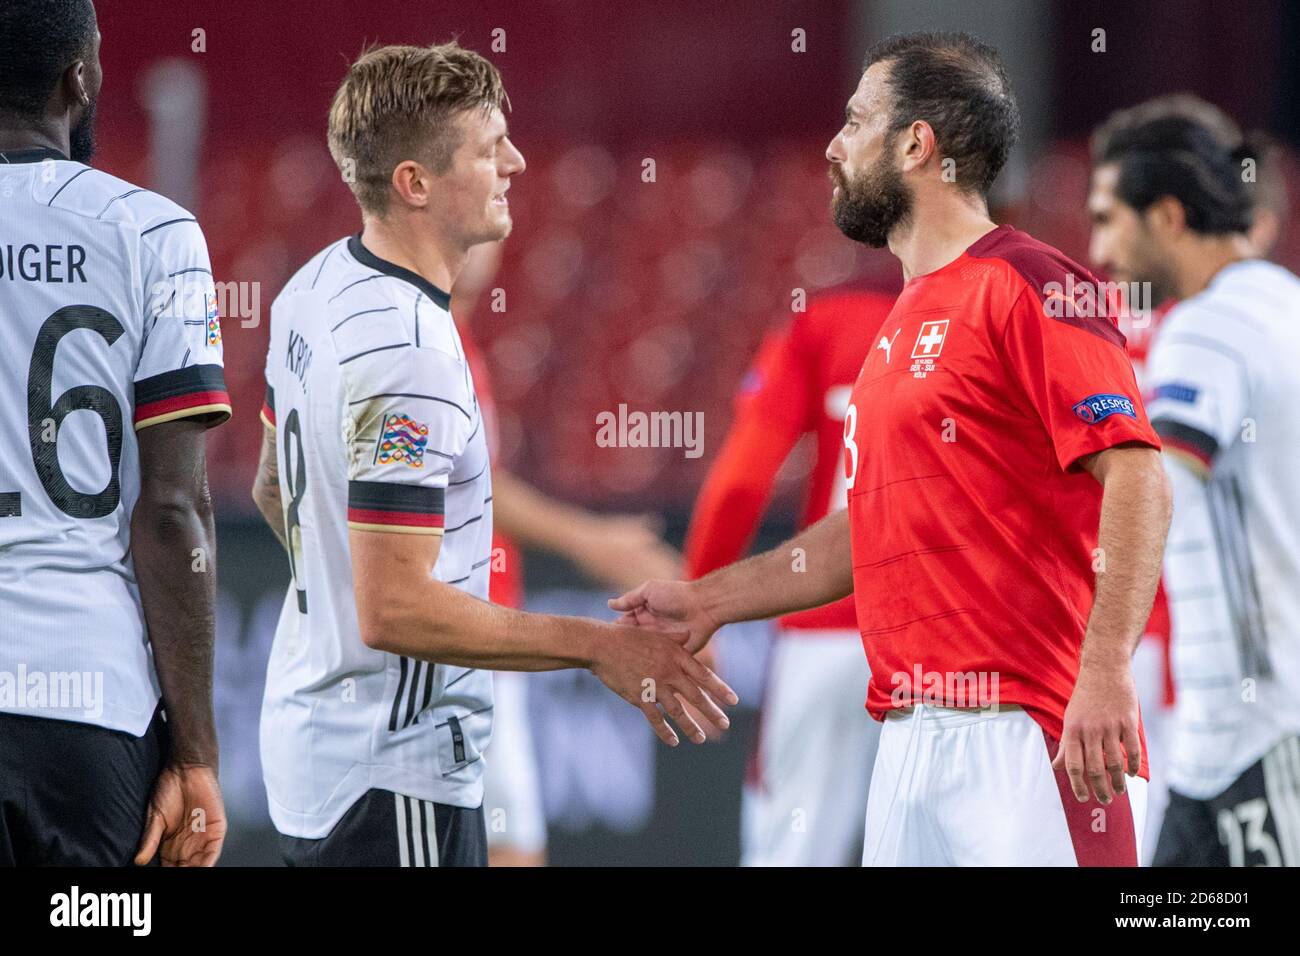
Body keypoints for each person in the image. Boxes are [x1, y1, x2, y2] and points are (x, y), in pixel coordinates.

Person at [612, 31, 1171, 866]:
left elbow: (1137, 475)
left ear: (917, 144)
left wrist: (1104, 671)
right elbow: (870, 524)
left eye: (855, 120)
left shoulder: (1034, 282)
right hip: (907, 737)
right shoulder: (902, 315)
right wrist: (712, 599)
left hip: (1026, 735)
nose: (835, 146)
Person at [251, 41, 734, 867]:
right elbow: (395, 609)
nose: (513, 163)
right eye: (488, 149)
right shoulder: (413, 350)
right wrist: (598, 644)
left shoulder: (315, 285)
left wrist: (340, 593)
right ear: (415, 183)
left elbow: (272, 487)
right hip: (391, 767)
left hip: (319, 746)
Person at [0, 0, 229, 866]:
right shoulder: (155, 234)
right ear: (79, 79)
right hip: (88, 714)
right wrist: (197, 754)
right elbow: (172, 513)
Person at [1089, 102, 1300, 866]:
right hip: (1215, 748)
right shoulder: (1279, 305)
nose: (1098, 250)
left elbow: (1153, 488)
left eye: (1110, 219)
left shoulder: (1206, 328)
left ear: (1169, 216)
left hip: (1267, 737)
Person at [451, 241, 683, 867]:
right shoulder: (422, 335)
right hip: (449, 633)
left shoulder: (456, 340)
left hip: (478, 630)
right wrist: (591, 541)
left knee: (508, 846)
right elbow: (467, 482)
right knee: (506, 848)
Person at [683, 287, 894, 866]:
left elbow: (742, 481)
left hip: (824, 634)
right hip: (943, 640)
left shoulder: (829, 320)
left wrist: (701, 597)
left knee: (792, 851)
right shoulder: (1009, 310)